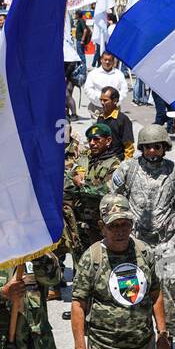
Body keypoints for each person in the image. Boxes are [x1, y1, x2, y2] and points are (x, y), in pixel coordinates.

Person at [71, 194, 171, 349]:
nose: (120, 230)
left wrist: (162, 333)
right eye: (113, 225)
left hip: (142, 348)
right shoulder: (92, 257)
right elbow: (78, 304)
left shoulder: (143, 252)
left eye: (125, 224)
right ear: (102, 227)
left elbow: (156, 292)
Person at [107, 123, 175, 349]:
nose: (152, 151)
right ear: (141, 148)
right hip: (135, 243)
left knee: (166, 294)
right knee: (130, 292)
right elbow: (113, 199)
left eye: (157, 146)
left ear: (165, 147)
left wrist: (168, 229)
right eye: (148, 146)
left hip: (164, 243)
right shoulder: (128, 169)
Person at [61, 122, 121, 285]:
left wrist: (82, 185)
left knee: (101, 266)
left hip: (100, 225)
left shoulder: (115, 164)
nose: (92, 143)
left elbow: (108, 192)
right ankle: (80, 306)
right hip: (79, 222)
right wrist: (76, 183)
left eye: (96, 139)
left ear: (108, 141)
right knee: (80, 264)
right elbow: (68, 182)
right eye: (90, 140)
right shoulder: (83, 158)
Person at [84, 51, 129, 120]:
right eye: (105, 60)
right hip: (97, 109)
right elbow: (88, 89)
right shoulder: (93, 74)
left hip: (114, 109)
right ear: (101, 60)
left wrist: (115, 101)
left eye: (109, 60)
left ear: (113, 61)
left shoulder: (119, 74)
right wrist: (101, 99)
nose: (107, 62)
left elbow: (124, 90)